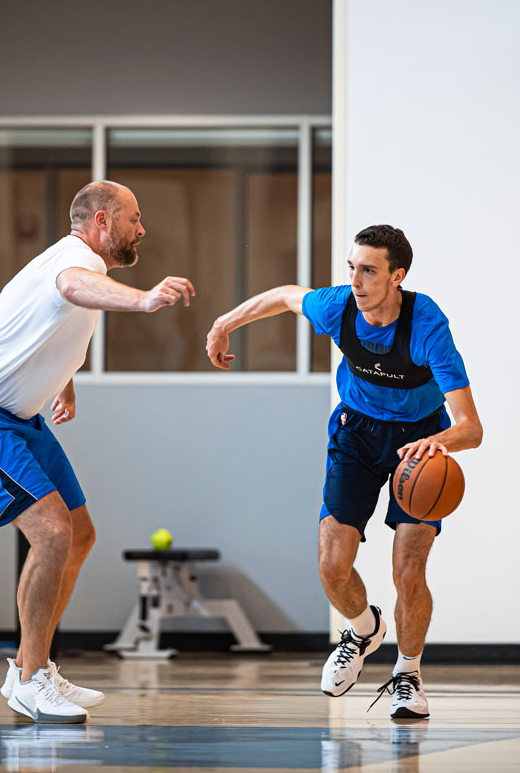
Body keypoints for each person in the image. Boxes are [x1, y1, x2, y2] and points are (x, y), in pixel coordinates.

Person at [0, 181, 195, 723]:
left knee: (80, 533)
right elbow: (71, 287)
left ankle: (35, 665)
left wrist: (63, 382)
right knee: (50, 531)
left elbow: (53, 324)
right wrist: (143, 300)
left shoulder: (82, 267)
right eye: (134, 218)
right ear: (101, 221)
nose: (142, 229)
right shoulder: (74, 259)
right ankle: (28, 680)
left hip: (17, 417)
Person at [205, 224, 482, 719]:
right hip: (355, 434)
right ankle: (363, 630)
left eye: (369, 270)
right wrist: (225, 321)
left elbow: (471, 428)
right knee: (332, 563)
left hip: (418, 442)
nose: (356, 279)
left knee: (408, 568)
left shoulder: (426, 325)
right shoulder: (339, 307)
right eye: (351, 267)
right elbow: (286, 296)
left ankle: (409, 674)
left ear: (397, 276)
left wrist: (433, 444)